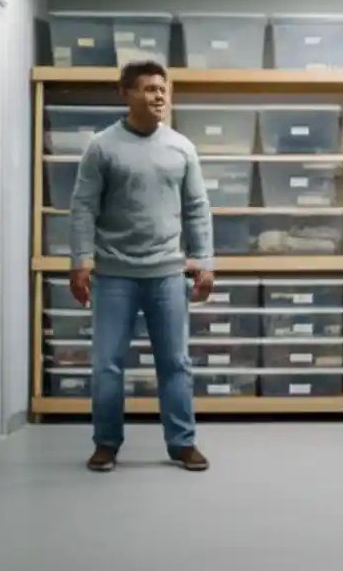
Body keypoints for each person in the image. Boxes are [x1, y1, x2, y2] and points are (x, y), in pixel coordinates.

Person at [68, 60, 214, 473]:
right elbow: (82, 208)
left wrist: (204, 261)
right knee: (107, 365)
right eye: (149, 88)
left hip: (167, 273)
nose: (159, 95)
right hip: (114, 274)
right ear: (126, 93)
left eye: (163, 89)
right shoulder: (102, 146)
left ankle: (183, 443)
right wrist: (80, 261)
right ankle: (107, 444)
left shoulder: (182, 147)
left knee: (175, 363)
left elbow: (198, 209)